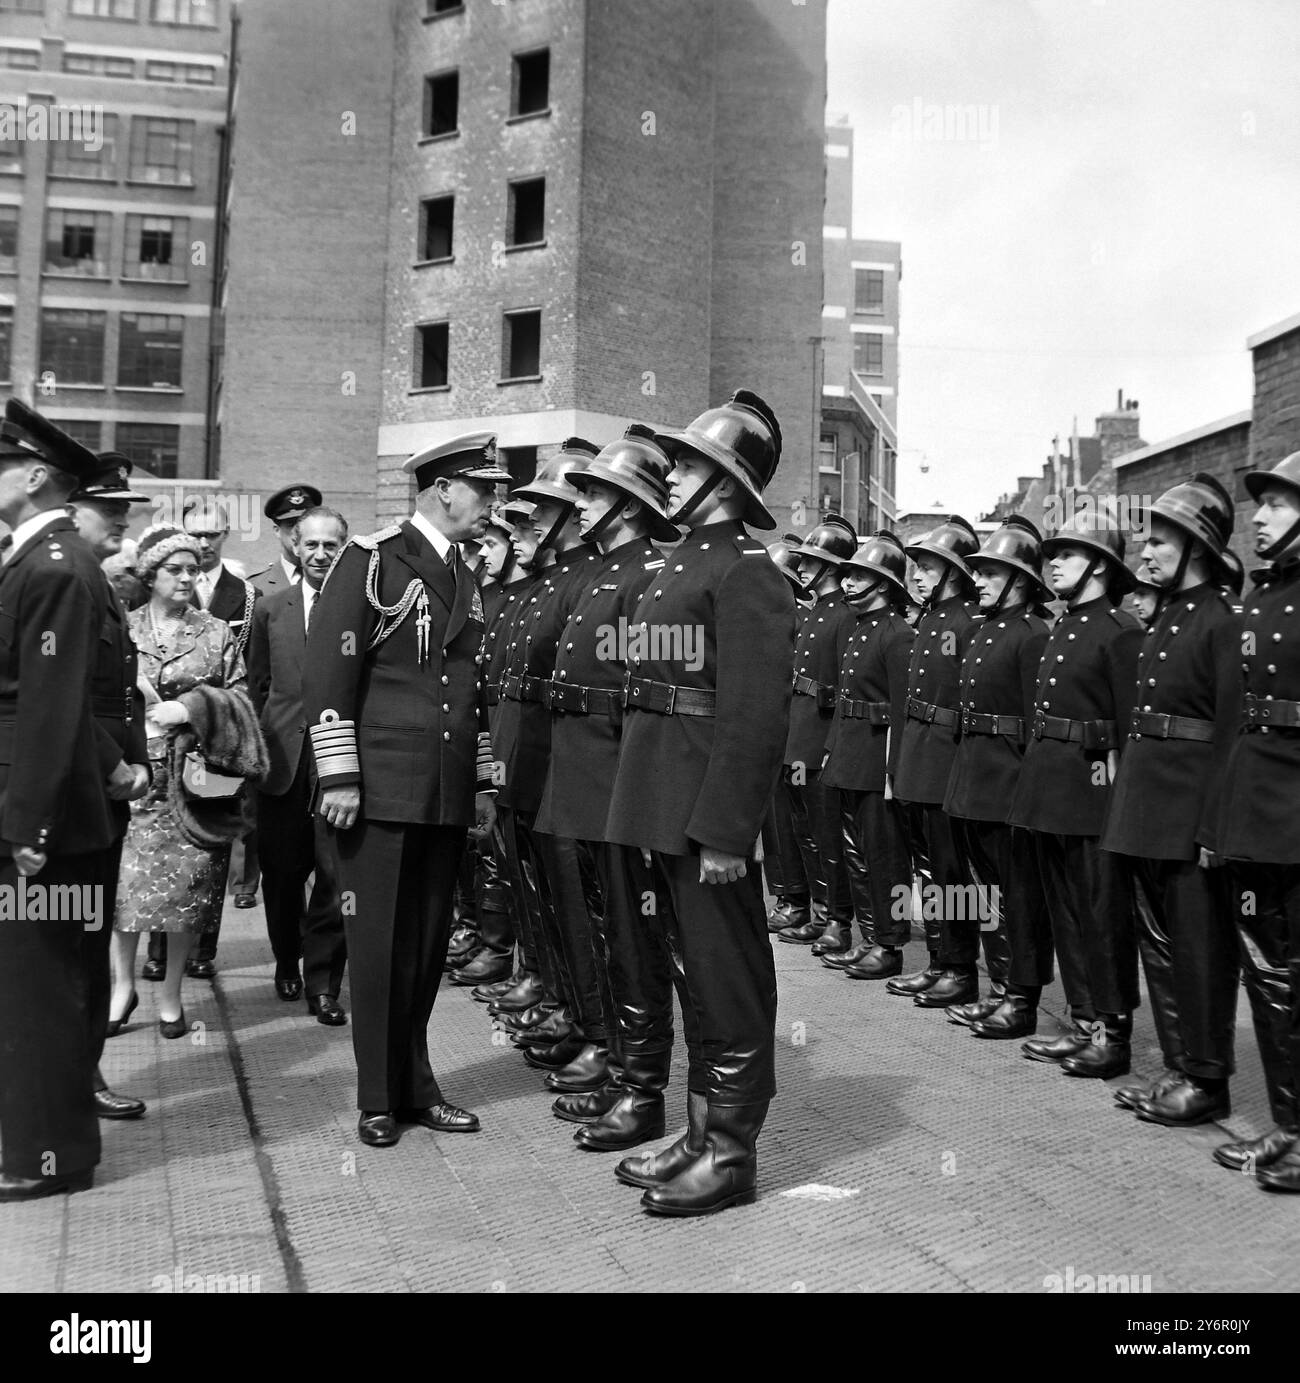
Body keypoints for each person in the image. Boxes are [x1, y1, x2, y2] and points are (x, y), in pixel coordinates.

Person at [604, 390, 796, 1217]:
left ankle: (730, 1153)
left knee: (727, 977)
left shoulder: (747, 571)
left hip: (702, 809)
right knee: (689, 971)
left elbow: (753, 716)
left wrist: (726, 829)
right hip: (662, 793)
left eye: (685, 465)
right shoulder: (684, 561)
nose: (670, 477)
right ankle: (695, 1132)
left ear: (722, 480)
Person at [302, 433, 505, 1148]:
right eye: (485, 488)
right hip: (380, 788)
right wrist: (340, 776)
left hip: (442, 790)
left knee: (423, 947)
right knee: (379, 945)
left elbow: (468, 691)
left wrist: (480, 781)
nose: (494, 502)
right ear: (444, 488)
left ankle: (417, 1084)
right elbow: (328, 680)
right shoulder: (369, 560)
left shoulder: (464, 572)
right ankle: (376, 1096)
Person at [536, 425, 680, 1150]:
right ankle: (621, 1065)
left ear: (625, 503)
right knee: (599, 927)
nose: (579, 504)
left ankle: (641, 1088)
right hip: (583, 776)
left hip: (617, 778)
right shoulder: (603, 571)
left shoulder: (646, 573)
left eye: (592, 493)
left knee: (631, 935)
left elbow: (645, 694)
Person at [0, 401, 115, 1202]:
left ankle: (50, 1156)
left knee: (37, 992)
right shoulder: (39, 556)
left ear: (35, 475)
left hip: (33, 816)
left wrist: (27, 825)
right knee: (26, 986)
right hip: (24, 801)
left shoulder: (54, 564)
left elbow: (48, 706)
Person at [1102, 475, 1241, 1126]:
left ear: (1197, 548)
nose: (1145, 552)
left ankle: (1207, 1079)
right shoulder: (1166, 616)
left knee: (1200, 946)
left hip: (1189, 810)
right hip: (1149, 803)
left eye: (1159, 542)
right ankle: (1179, 1065)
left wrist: (1214, 824)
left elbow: (1230, 732)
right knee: (1158, 943)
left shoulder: (1219, 620)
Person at [113, 525, 266, 1039]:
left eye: (192, 570)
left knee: (183, 894)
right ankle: (121, 987)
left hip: (191, 782)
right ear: (149, 575)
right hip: (129, 777)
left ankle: (172, 996)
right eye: (173, 569)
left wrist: (194, 706)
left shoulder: (216, 631)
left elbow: (243, 701)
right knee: (123, 892)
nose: (186, 578)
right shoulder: (121, 628)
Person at [1011, 510, 1144, 1078]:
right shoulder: (1065, 625)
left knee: (1102, 916)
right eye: (1051, 553)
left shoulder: (1120, 631)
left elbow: (1128, 727)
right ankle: (1083, 1018)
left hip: (1094, 791)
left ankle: (1112, 1035)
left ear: (1098, 563)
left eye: (1066, 553)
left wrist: (1120, 803)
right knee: (1067, 913)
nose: (1053, 563)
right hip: (1052, 786)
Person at [490, 442, 606, 1080]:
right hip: (524, 759)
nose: (529, 522)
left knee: (578, 908)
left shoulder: (589, 578)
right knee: (539, 898)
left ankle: (591, 1020)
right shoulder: (548, 583)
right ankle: (562, 1001)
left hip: (560, 766)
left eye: (546, 508)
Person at [1204, 450, 1300, 1190]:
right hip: (1259, 816)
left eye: (1279, 504)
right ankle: (1290, 1125)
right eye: (1260, 504)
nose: (1259, 518)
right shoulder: (1263, 599)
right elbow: (1236, 718)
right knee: (1270, 979)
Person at [943, 517, 1053, 1037]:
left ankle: (1021, 999)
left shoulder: (1034, 636)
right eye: (979, 572)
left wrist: (1029, 792)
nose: (979, 581)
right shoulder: (986, 631)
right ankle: (999, 987)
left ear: (1022, 582)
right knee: (986, 892)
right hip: (974, 777)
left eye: (992, 573)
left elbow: (1037, 725)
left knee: (1019, 895)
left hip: (1009, 782)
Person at [68, 453, 153, 1121]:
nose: (123, 518)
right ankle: (68, 1076)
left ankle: (79, 1068)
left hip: (102, 794)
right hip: (75, 789)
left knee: (87, 941)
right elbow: (62, 699)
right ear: (71, 509)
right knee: (66, 943)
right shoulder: (65, 581)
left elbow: (118, 695)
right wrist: (116, 766)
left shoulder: (100, 582)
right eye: (110, 507)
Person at [246, 506, 349, 1020]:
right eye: (311, 544)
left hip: (340, 766)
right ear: (295, 546)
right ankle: (288, 960)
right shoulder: (271, 608)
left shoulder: (361, 608)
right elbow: (258, 682)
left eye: (331, 545)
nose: (320, 554)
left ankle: (324, 983)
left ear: (343, 548)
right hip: (283, 760)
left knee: (334, 874)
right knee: (283, 873)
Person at [887, 516, 983, 1005]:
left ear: (955, 572)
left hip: (948, 760)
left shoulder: (968, 622)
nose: (917, 576)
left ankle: (961, 969)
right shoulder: (930, 620)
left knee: (952, 873)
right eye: (917, 567)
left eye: (928, 567)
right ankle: (939, 960)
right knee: (930, 871)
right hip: (922, 758)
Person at [819, 532, 916, 980]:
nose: (850, 583)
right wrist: (830, 751)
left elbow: (900, 712)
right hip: (848, 755)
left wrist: (895, 772)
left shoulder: (899, 635)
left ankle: (890, 945)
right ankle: (870, 936)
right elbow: (844, 698)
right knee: (856, 855)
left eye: (860, 576)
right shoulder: (857, 629)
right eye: (850, 575)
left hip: (877, 761)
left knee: (885, 856)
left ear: (884, 584)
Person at [775, 517, 859, 955]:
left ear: (834, 568)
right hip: (798, 737)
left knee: (828, 837)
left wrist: (830, 747)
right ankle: (810, 909)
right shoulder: (817, 614)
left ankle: (837, 920)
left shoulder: (845, 616)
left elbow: (846, 689)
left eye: (813, 562)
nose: (803, 568)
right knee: (805, 833)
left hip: (820, 740)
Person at [252, 483, 323, 598]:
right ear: (277, 531)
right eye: (291, 524)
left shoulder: (334, 582)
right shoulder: (255, 588)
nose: (298, 531)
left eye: (304, 523)